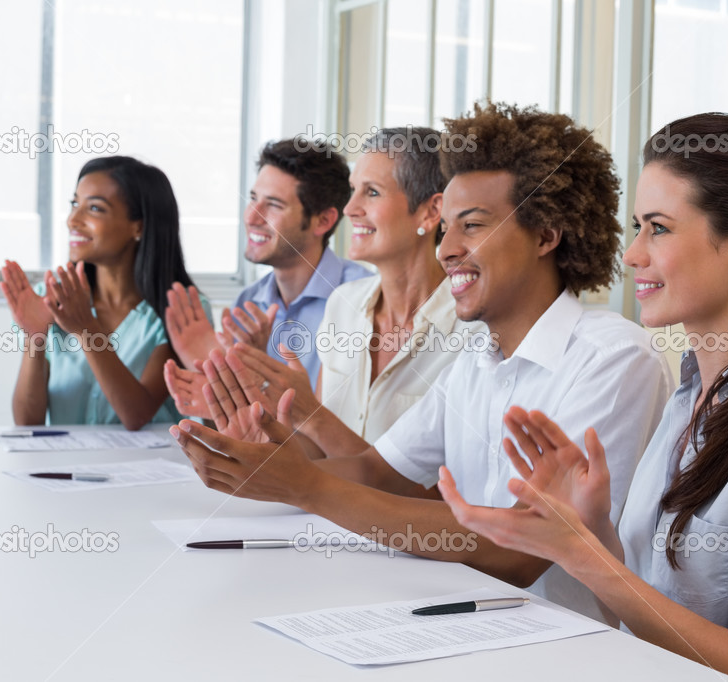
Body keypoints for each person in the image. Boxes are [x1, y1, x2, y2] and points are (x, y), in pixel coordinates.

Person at [168, 103, 673, 621]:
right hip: (461, 620)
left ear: (546, 236)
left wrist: (306, 484)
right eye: (447, 228)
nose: (446, 250)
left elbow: (521, 550)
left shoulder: (613, 358)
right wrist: (269, 465)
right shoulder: (478, 357)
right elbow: (378, 470)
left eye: (472, 226)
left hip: (564, 646)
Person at [436, 113, 728, 681]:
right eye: (636, 227)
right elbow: (641, 623)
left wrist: (584, 555)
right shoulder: (690, 400)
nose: (631, 255)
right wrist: (591, 534)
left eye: (658, 227)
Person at [166, 126, 485, 449]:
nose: (349, 209)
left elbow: (434, 484)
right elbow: (318, 453)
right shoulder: (344, 303)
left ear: (432, 211)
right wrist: (259, 432)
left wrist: (309, 416)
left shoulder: (474, 330)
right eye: (353, 190)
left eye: (372, 192)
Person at [1, 156, 206, 429]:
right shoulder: (51, 299)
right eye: (75, 204)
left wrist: (86, 329)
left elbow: (136, 415)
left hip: (148, 469)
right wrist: (34, 339)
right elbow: (27, 423)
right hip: (67, 467)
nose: (73, 220)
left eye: (95, 208)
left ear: (139, 226)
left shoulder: (181, 309)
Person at [163, 138, 371, 391]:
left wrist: (258, 371)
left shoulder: (362, 300)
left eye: (273, 205)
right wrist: (212, 372)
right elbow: (241, 428)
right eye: (253, 198)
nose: (251, 217)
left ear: (323, 221)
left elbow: (335, 422)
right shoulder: (247, 303)